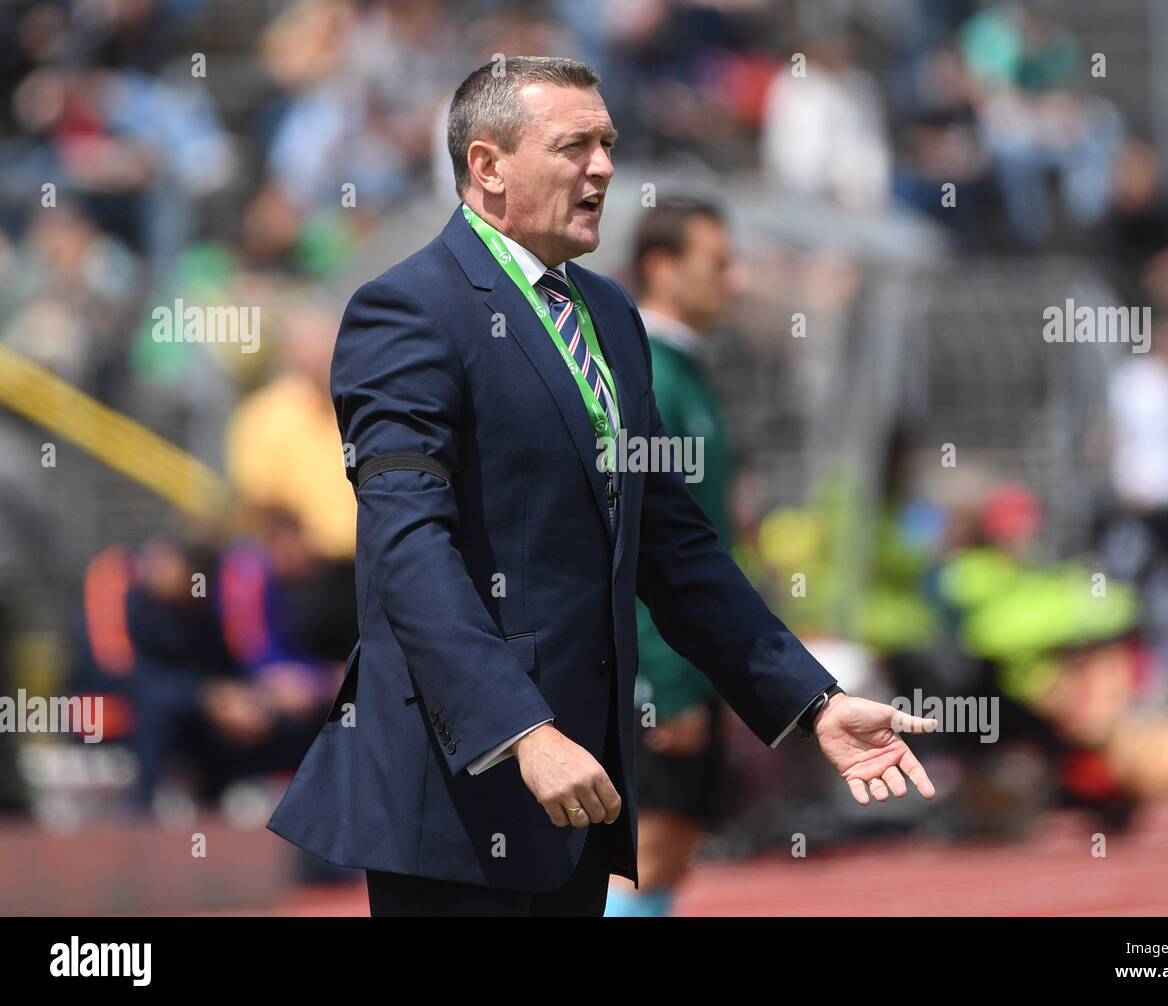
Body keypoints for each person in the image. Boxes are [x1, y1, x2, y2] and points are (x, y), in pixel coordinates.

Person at [267, 56, 937, 917]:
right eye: (574, 145)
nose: (604, 167)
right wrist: (519, 730)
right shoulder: (407, 310)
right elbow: (409, 550)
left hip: (580, 788)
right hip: (458, 797)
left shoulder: (611, 317)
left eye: (609, 143)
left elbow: (674, 545)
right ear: (488, 166)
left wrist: (810, 701)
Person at [604, 198, 739, 917]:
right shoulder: (648, 373)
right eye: (719, 264)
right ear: (663, 268)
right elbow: (630, 537)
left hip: (688, 661)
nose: (736, 280)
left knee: (672, 845)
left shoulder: (686, 370)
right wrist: (665, 680)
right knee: (645, 848)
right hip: (659, 669)